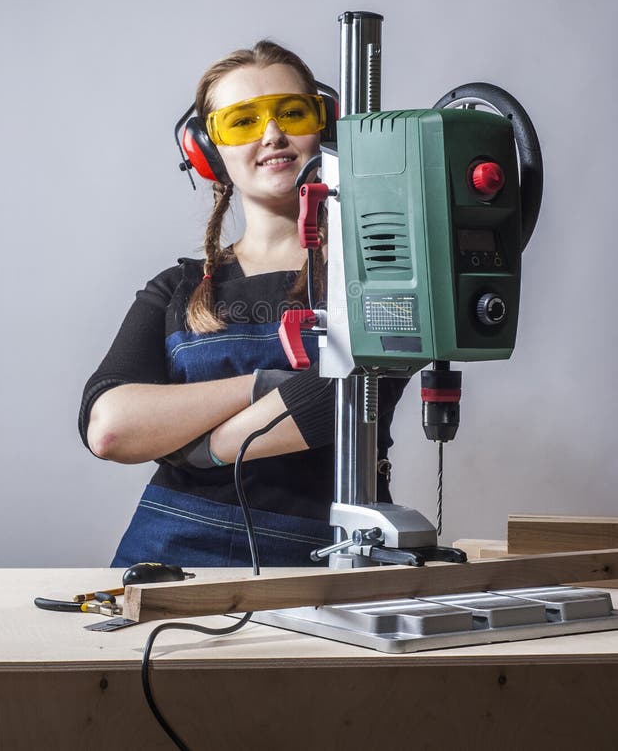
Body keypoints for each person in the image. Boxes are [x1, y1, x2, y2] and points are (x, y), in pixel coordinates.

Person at [78, 40, 408, 567]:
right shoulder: (174, 290)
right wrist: (266, 387)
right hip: (168, 554)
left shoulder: (384, 276)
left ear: (323, 127)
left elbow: (340, 401)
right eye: (243, 121)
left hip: (327, 559)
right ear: (207, 152)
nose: (272, 134)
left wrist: (191, 446)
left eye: (291, 113)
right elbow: (111, 426)